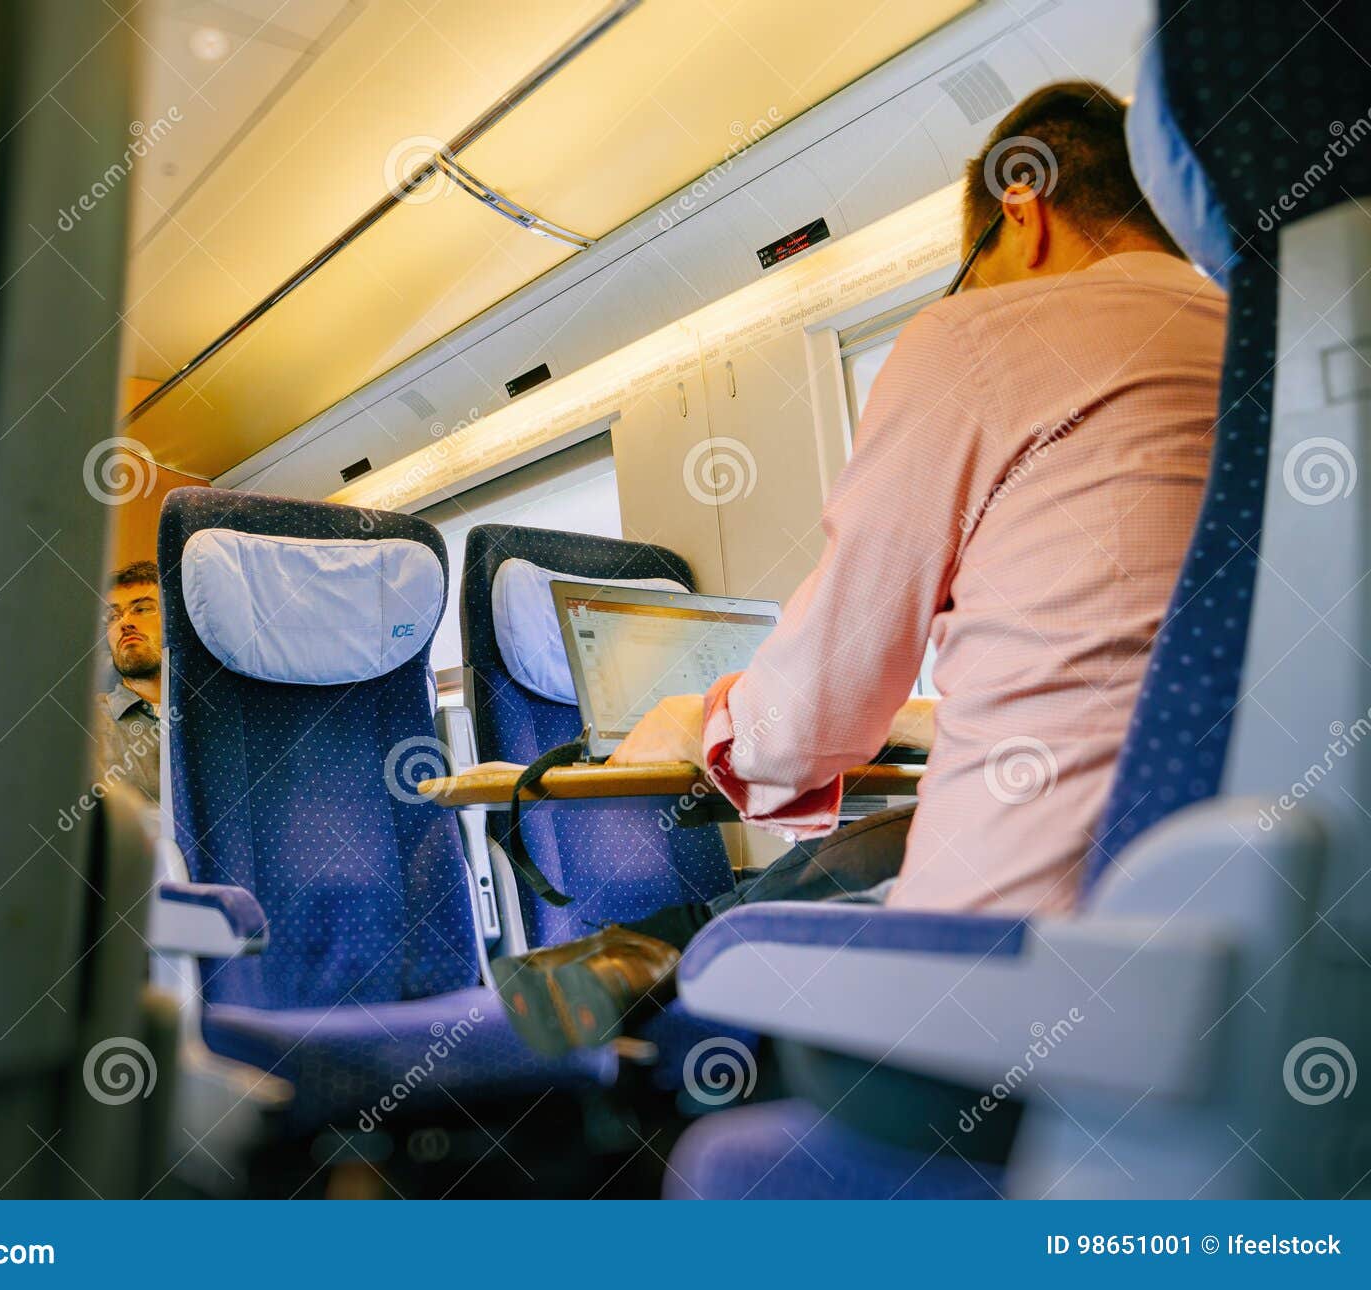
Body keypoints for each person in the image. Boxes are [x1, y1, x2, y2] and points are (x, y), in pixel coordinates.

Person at [491, 81, 1229, 1057]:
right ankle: (645, 968)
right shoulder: (1266, 336)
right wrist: (927, 716)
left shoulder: (975, 342)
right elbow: (1142, 651)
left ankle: (639, 1008)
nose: (971, 297)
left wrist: (700, 719)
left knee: (790, 933)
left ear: (1023, 209)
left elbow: (805, 725)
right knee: (855, 858)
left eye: (974, 269)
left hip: (1016, 990)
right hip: (1235, 939)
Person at [95, 560, 164, 805]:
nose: (124, 623)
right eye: (113, 616)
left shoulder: (215, 714)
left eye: (142, 609)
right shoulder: (88, 723)